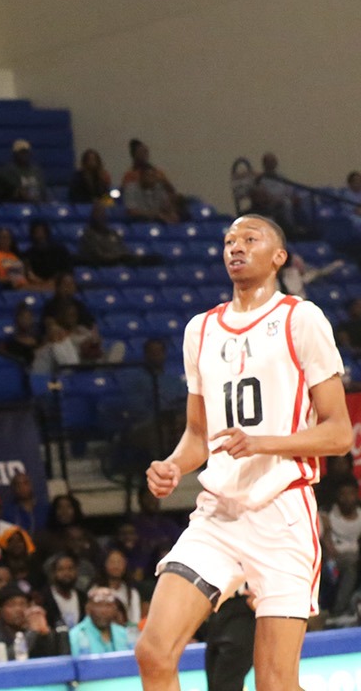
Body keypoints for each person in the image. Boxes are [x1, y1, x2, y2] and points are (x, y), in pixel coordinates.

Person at [135, 214, 351, 691]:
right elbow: (198, 436)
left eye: (250, 239)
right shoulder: (201, 330)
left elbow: (339, 434)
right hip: (218, 513)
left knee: (274, 683)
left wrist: (263, 441)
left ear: (279, 257)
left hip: (282, 513)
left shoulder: (300, 318)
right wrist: (172, 465)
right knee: (153, 652)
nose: (236, 246)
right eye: (229, 240)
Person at [0, 590, 63, 661]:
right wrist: (32, 632)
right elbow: (4, 662)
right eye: (12, 605)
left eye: (23, 604)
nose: (18, 609)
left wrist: (45, 634)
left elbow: (53, 657)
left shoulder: (30, 628)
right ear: (0, 610)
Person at [323, 476, 361, 617]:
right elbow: (325, 540)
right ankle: (336, 612)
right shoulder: (327, 515)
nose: (347, 498)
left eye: (350, 494)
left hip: (354, 559)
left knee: (353, 565)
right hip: (331, 562)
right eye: (343, 494)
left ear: (356, 494)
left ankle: (349, 609)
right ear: (337, 496)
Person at [121, 141, 184, 225]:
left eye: (153, 176)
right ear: (141, 176)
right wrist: (156, 215)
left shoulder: (158, 186)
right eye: (148, 176)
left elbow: (166, 202)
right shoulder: (130, 185)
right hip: (140, 221)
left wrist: (171, 213)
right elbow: (132, 212)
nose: (151, 179)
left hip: (158, 219)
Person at [67, 587, 135, 656]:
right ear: (88, 609)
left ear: (115, 609)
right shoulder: (74, 636)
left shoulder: (125, 635)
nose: (103, 611)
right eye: (99, 606)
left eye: (108, 606)